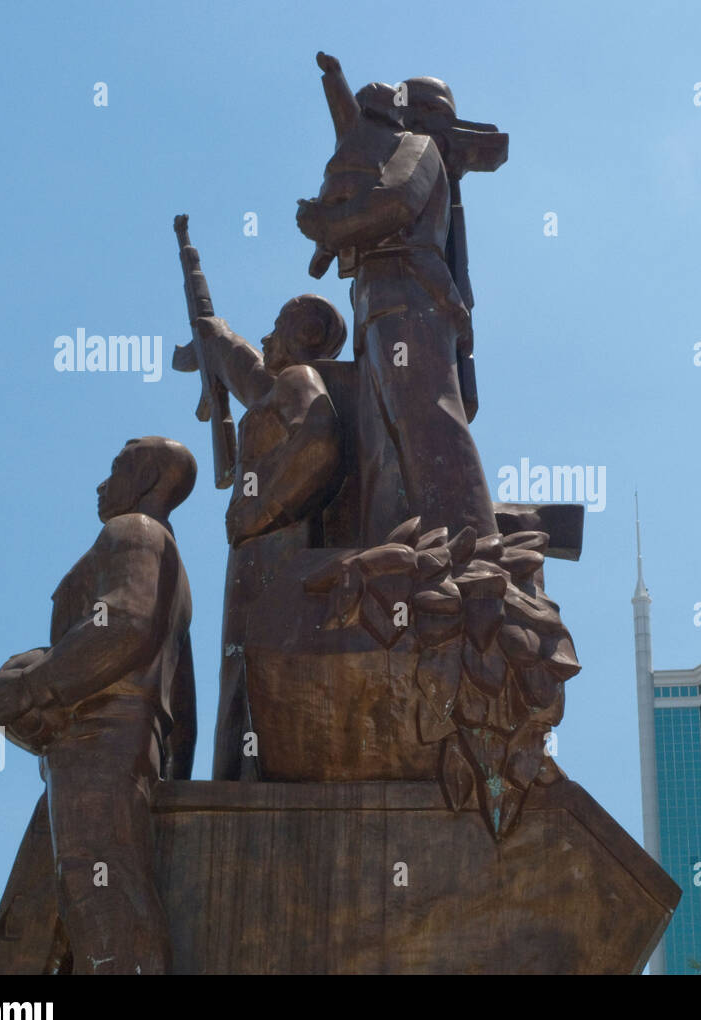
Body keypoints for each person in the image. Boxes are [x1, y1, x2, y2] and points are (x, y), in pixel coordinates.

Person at [0, 436, 197, 974]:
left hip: (100, 747)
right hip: (91, 756)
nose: (102, 484)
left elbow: (122, 623)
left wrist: (32, 685)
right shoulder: (165, 556)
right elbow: (184, 706)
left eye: (117, 468)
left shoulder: (133, 532)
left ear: (149, 477)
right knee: (24, 924)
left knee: (103, 903)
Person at [296, 61, 498, 545]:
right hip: (378, 301)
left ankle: (471, 540)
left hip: (411, 295)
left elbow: (396, 202)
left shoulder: (417, 148)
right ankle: (401, 546)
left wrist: (330, 224)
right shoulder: (379, 151)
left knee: (425, 413)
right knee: (380, 442)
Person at [185, 295, 345, 780]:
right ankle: (240, 780)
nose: (268, 338)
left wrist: (259, 510)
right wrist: (216, 338)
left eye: (277, 327)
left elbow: (319, 438)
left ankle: (243, 785)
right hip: (264, 544)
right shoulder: (278, 388)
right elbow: (248, 375)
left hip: (274, 544)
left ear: (305, 336)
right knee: (242, 670)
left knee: (249, 666)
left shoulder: (299, 379)